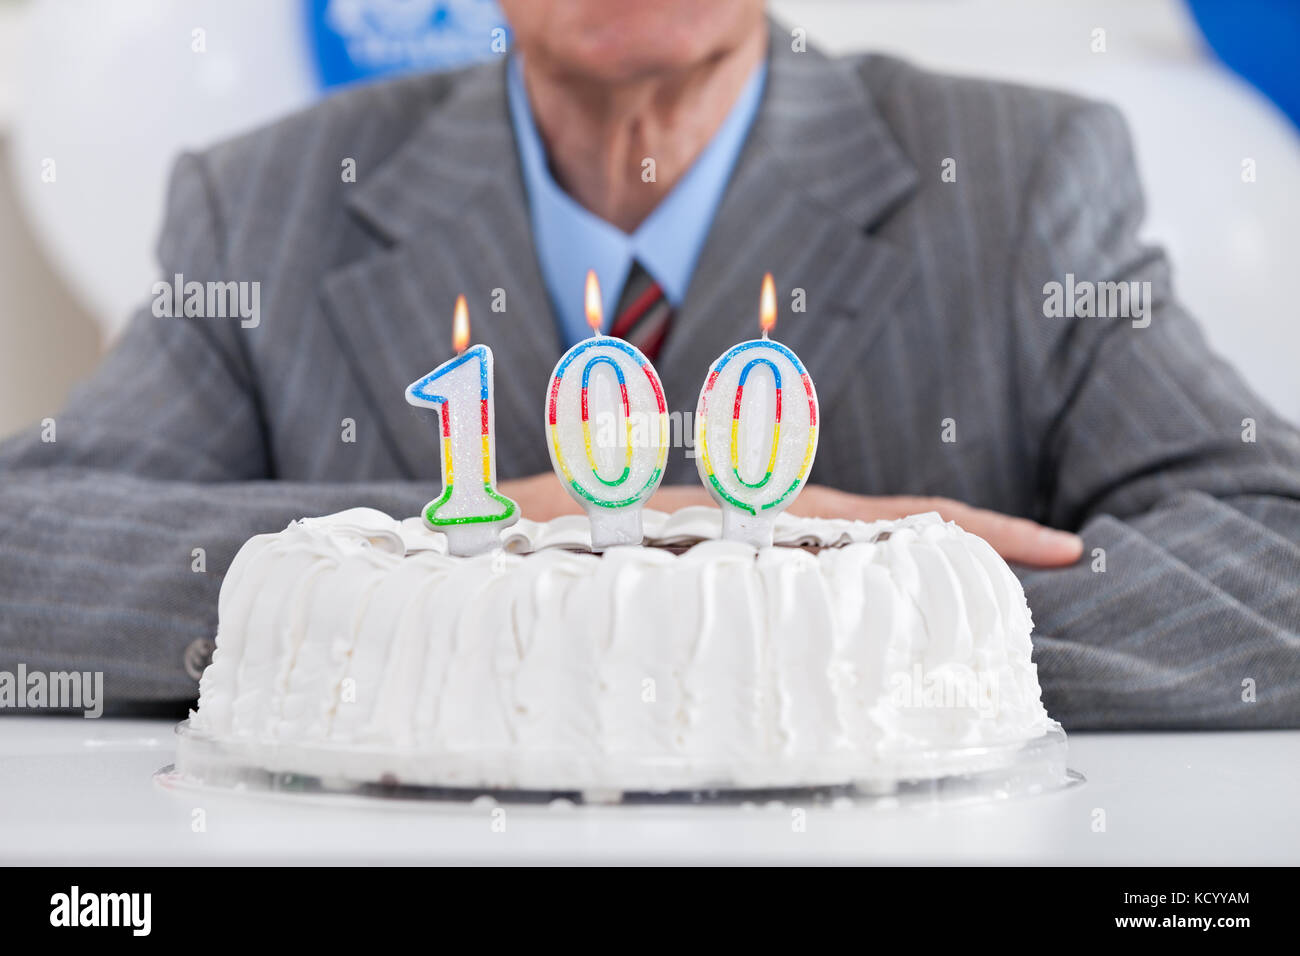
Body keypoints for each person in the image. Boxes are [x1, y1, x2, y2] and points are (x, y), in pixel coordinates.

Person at [1, 0, 1297, 726]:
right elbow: (23, 559)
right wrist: (510, 534)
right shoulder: (265, 203)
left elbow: (1275, 566)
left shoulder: (1023, 180)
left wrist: (816, 616)